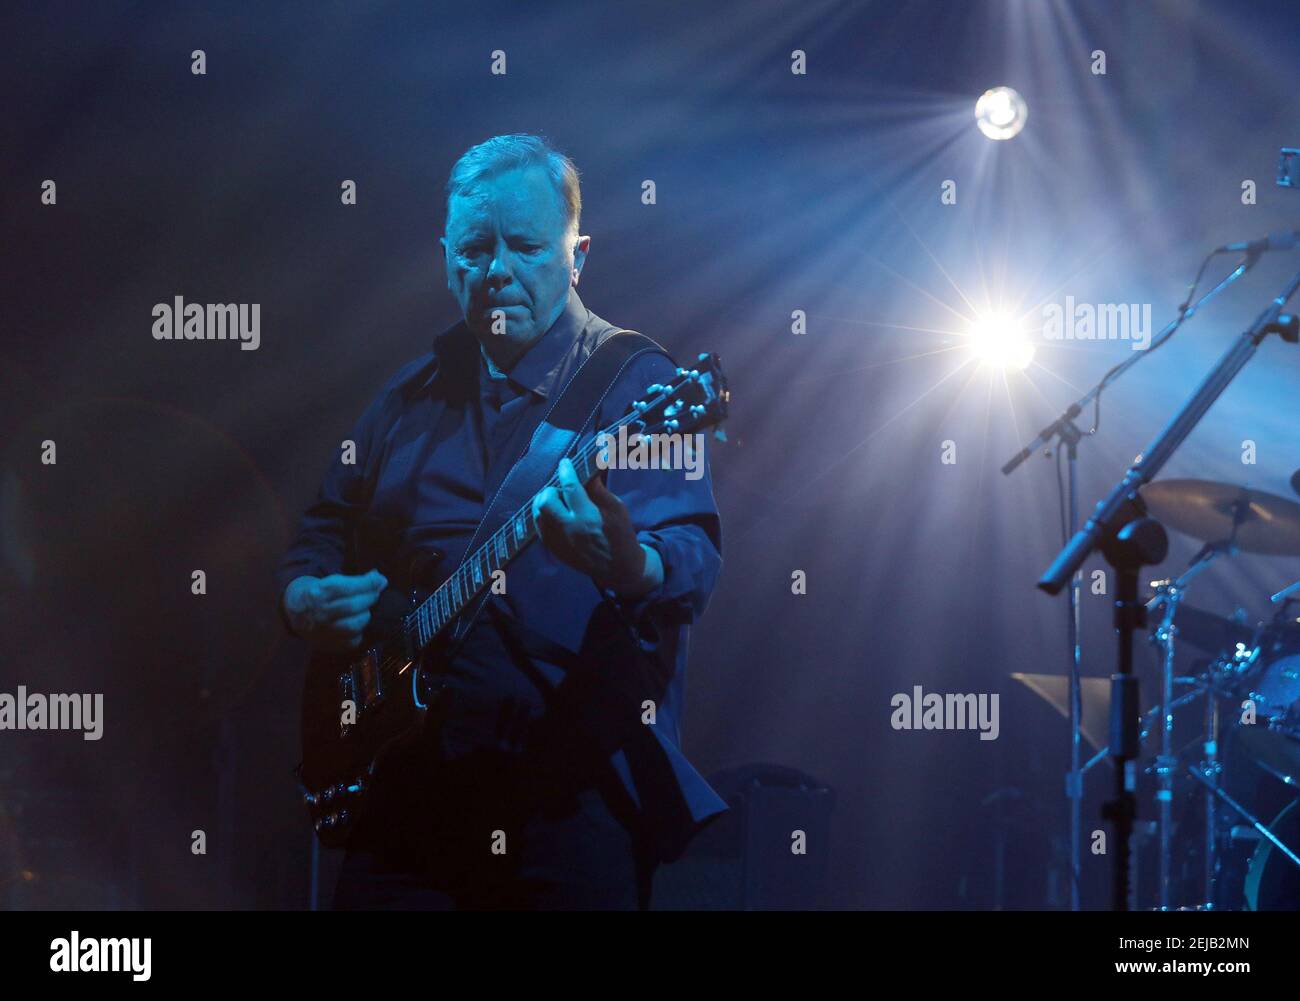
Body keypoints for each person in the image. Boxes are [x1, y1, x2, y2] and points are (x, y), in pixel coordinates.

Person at [274, 133, 726, 910]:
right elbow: (323, 525)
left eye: (524, 246)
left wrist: (626, 563)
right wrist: (302, 597)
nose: (496, 272)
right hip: (405, 798)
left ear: (577, 254)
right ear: (445, 255)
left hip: (566, 805)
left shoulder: (638, 385)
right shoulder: (410, 393)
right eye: (475, 248)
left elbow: (689, 554)